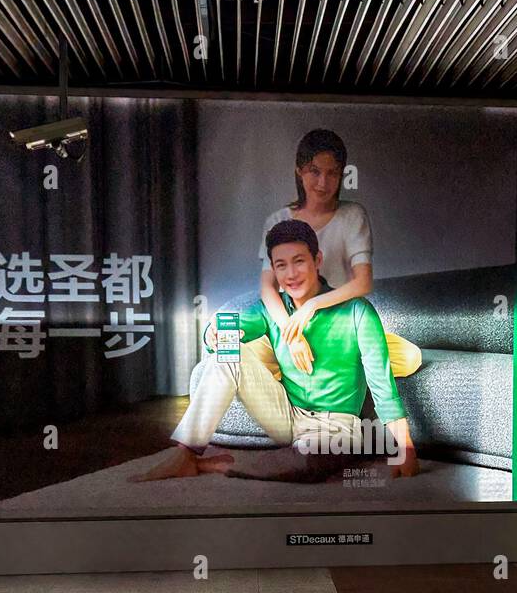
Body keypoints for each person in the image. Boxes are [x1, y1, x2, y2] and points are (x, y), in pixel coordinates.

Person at [139, 220, 420, 480]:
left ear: (317, 260)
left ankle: (216, 465)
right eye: (281, 265)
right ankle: (186, 453)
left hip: (337, 425)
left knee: (308, 463)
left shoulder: (357, 312)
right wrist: (214, 333)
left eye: (299, 261)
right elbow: (223, 331)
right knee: (227, 353)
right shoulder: (270, 311)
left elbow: (382, 384)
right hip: (287, 415)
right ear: (273, 269)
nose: (291, 274)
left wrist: (404, 447)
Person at [257, 128, 420, 378]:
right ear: (300, 171)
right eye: (315, 171)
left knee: (410, 358)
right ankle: (321, 366)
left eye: (332, 173)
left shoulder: (353, 215)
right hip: (291, 325)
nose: (323, 182)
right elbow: (267, 287)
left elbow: (363, 282)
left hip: (342, 326)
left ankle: (316, 367)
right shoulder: (277, 220)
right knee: (249, 357)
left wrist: (312, 305)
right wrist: (291, 333)